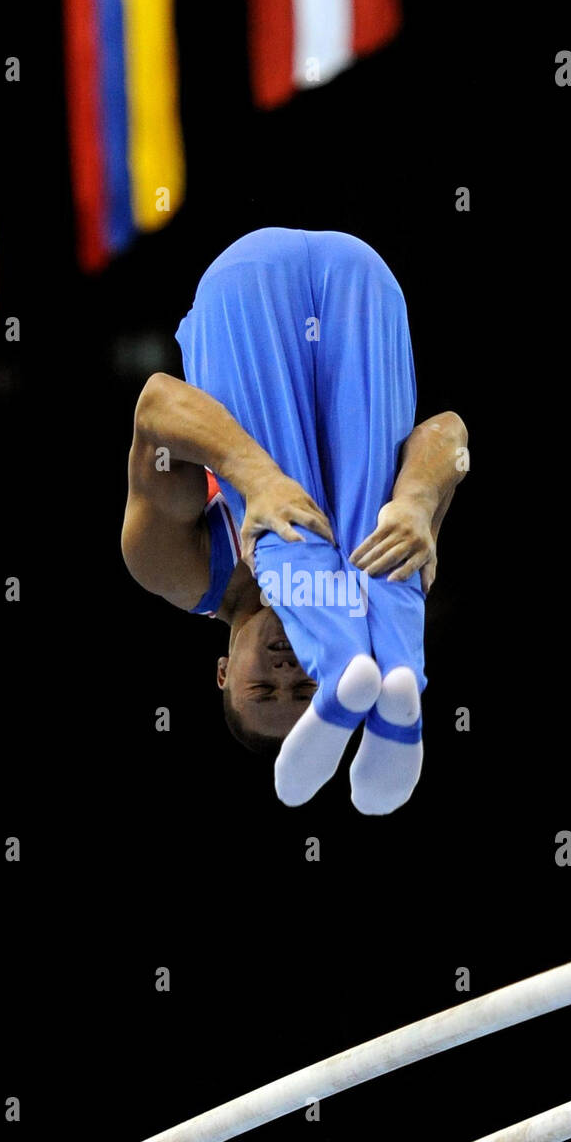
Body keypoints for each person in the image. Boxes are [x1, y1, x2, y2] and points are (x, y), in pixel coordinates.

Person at [122, 228, 467, 811]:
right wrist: (415, 502)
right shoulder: (367, 580)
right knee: (378, 542)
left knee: (291, 521)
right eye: (304, 684)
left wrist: (255, 478)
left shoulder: (174, 567)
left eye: (264, 687)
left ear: (224, 673)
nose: (285, 670)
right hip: (364, 283)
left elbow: (157, 402)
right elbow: (449, 434)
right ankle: (386, 698)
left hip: (248, 293)